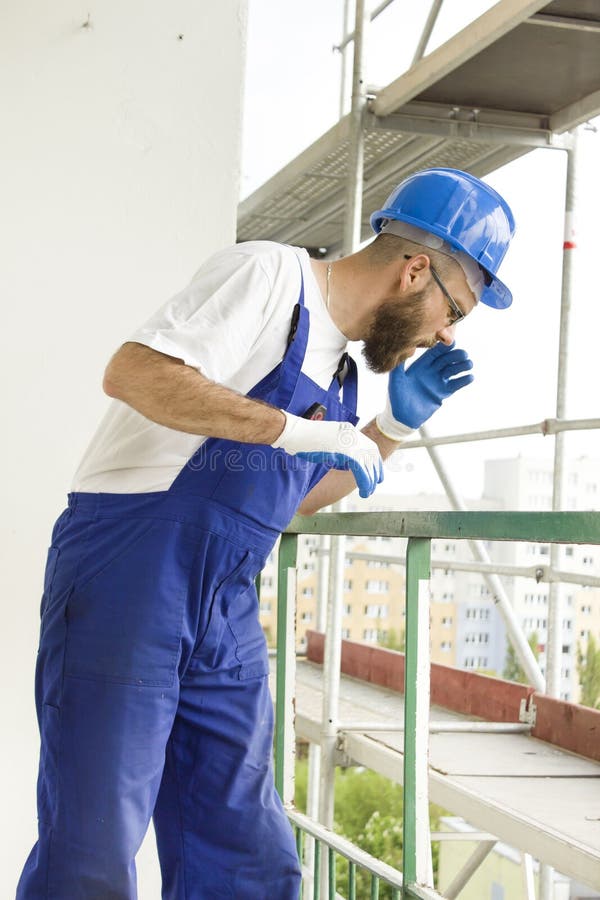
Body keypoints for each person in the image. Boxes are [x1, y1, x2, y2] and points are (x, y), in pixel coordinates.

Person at [17, 167, 515, 899]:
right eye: (456, 312)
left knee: (246, 853)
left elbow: (298, 499)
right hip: (131, 574)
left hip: (224, 605)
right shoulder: (270, 278)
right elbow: (136, 374)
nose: (444, 334)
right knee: (93, 847)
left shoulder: (342, 371)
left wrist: (391, 428)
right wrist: (289, 430)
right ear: (416, 271)